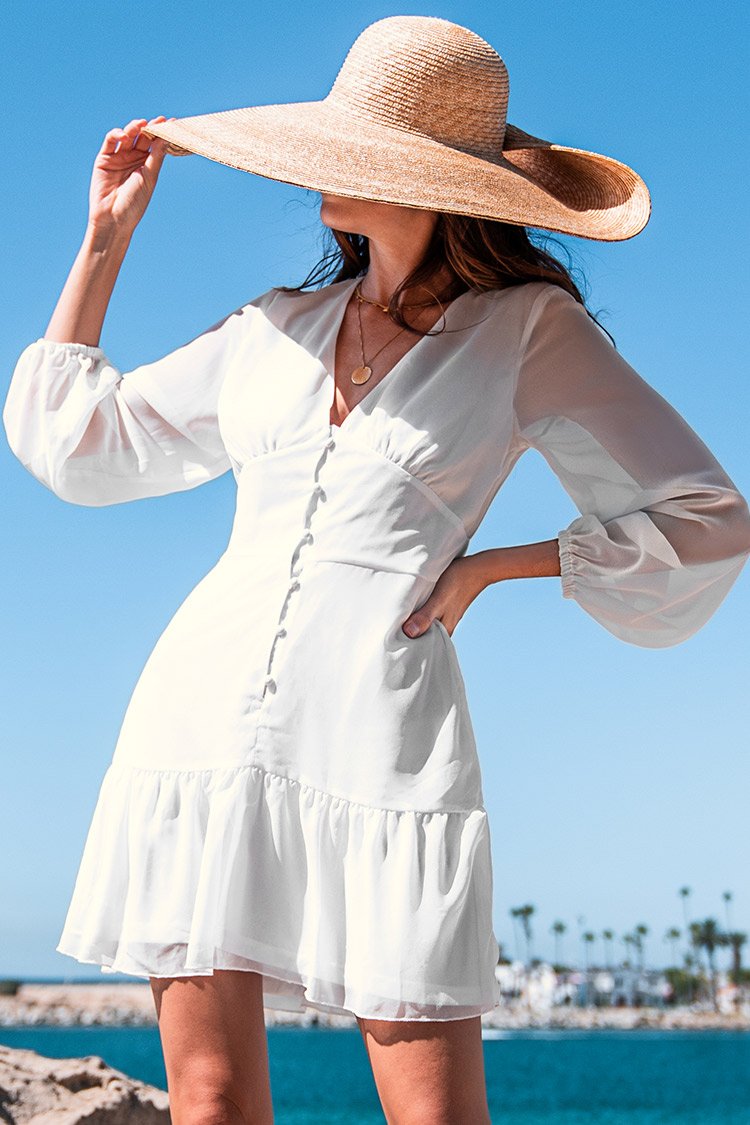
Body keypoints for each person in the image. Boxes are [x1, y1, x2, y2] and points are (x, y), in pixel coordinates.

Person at [4, 14, 750, 1125]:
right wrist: (105, 237)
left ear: (429, 185)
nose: (319, 173)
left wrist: (499, 565)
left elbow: (710, 517)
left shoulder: (528, 332)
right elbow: (76, 442)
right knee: (207, 1103)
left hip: (383, 735)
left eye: (351, 151)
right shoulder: (273, 327)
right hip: (198, 724)